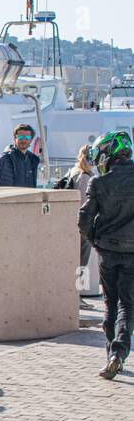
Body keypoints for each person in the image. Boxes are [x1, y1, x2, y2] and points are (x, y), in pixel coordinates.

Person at [79, 130, 134, 380]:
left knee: (110, 305)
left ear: (109, 153)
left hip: (107, 252)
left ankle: (111, 354)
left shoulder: (98, 183)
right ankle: (119, 353)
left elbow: (83, 220)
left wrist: (96, 240)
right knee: (127, 305)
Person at [57, 144, 97, 271]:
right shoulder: (85, 176)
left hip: (68, 224)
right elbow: (85, 206)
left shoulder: (72, 172)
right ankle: (79, 289)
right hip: (80, 227)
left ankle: (74, 288)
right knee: (81, 265)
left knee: (72, 262)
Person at [0, 123, 41, 188]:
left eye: (27, 137)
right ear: (15, 139)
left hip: (26, 198)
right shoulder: (3, 159)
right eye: (20, 137)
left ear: (31, 140)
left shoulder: (32, 161)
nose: (23, 140)